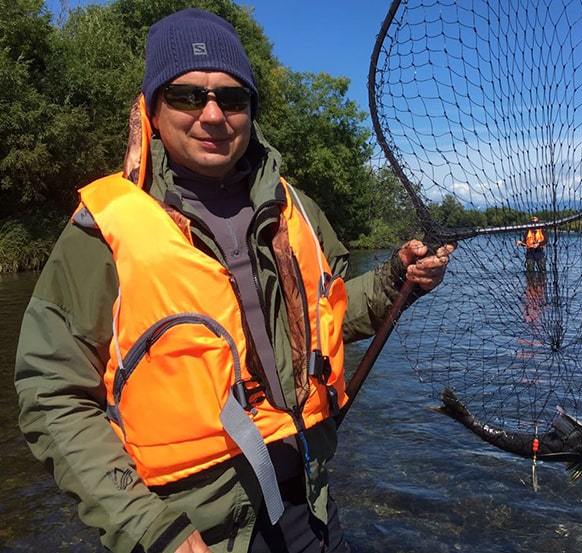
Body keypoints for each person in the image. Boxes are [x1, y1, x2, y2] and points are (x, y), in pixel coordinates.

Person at [14, 8, 453, 553]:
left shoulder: (295, 208)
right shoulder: (102, 229)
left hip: (311, 509)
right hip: (191, 531)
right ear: (152, 110)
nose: (213, 115)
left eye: (232, 97)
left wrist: (395, 278)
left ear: (251, 109)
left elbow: (330, 320)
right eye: (187, 96)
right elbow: (51, 393)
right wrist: (147, 527)